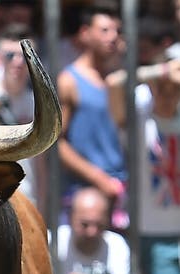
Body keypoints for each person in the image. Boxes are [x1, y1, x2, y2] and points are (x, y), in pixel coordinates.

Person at [108, 51, 180, 274]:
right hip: (154, 234)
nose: (167, 93)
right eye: (161, 87)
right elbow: (114, 83)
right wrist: (161, 70)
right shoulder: (140, 115)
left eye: (174, 88)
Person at [57, 3, 127, 213]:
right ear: (85, 33)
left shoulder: (119, 79)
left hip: (121, 188)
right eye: (105, 30)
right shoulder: (69, 81)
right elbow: (57, 143)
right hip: (84, 193)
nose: (113, 37)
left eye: (117, 31)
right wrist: (98, 178)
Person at [0, 23, 45, 210]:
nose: (18, 62)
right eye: (10, 56)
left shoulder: (37, 101)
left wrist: (42, 207)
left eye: (25, 57)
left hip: (27, 197)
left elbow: (40, 163)